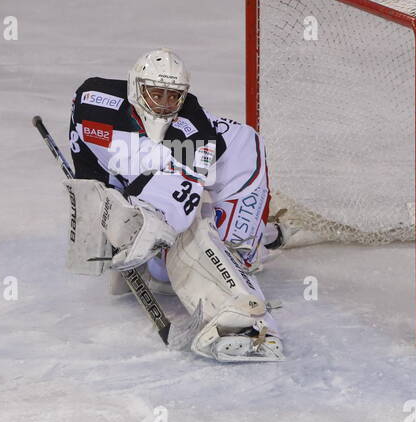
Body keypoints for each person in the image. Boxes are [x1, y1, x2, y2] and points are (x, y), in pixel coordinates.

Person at [66, 49, 284, 361]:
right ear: (135, 88)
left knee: (215, 251)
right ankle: (272, 235)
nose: (166, 105)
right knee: (163, 271)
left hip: (239, 167)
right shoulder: (92, 101)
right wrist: (106, 210)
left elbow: (177, 216)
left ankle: (251, 325)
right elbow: (89, 158)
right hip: (169, 167)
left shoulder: (193, 132)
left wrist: (133, 233)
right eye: (156, 94)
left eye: (174, 97)